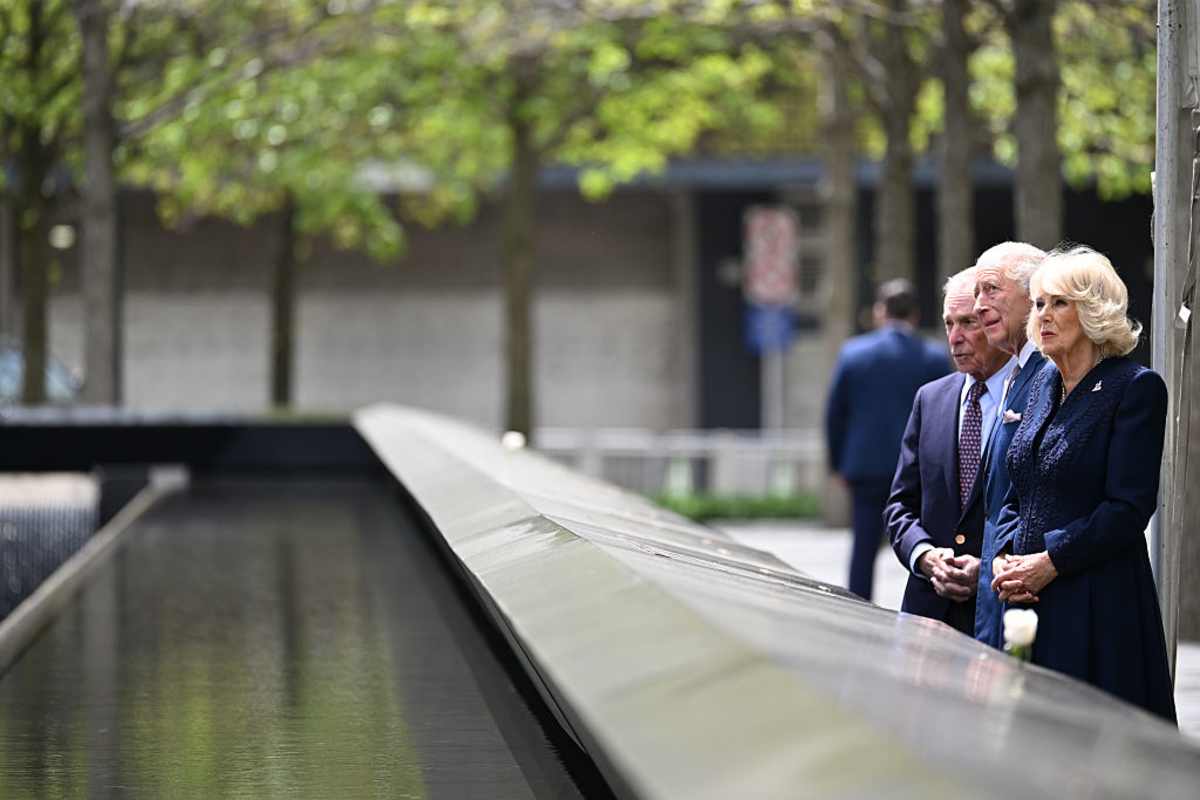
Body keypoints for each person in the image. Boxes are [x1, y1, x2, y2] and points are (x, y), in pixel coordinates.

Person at [989, 246, 1175, 721]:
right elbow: (1017, 489)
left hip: (1098, 603)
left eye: (1059, 303)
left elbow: (1129, 508)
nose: (1043, 316)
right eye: (1037, 304)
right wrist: (1007, 560)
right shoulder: (1040, 386)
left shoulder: (1134, 387)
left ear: (1094, 310)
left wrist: (1052, 560)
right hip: (1030, 600)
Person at [884, 268, 1011, 633]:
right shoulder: (931, 398)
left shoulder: (1032, 395)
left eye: (969, 322)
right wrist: (924, 555)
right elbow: (900, 505)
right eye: (948, 324)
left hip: (998, 614)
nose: (955, 338)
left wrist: (987, 567)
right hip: (927, 613)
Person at [825, 278, 949, 600]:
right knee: (922, 543)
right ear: (916, 315)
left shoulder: (854, 353)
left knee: (863, 547)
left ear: (881, 311)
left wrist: (838, 463)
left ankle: (859, 607)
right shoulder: (934, 358)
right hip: (918, 470)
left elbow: (835, 414)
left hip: (865, 465)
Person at [969, 242, 1048, 648]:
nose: (979, 305)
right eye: (977, 293)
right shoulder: (1017, 372)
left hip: (1031, 588)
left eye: (992, 290)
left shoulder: (1053, 372)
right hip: (998, 586)